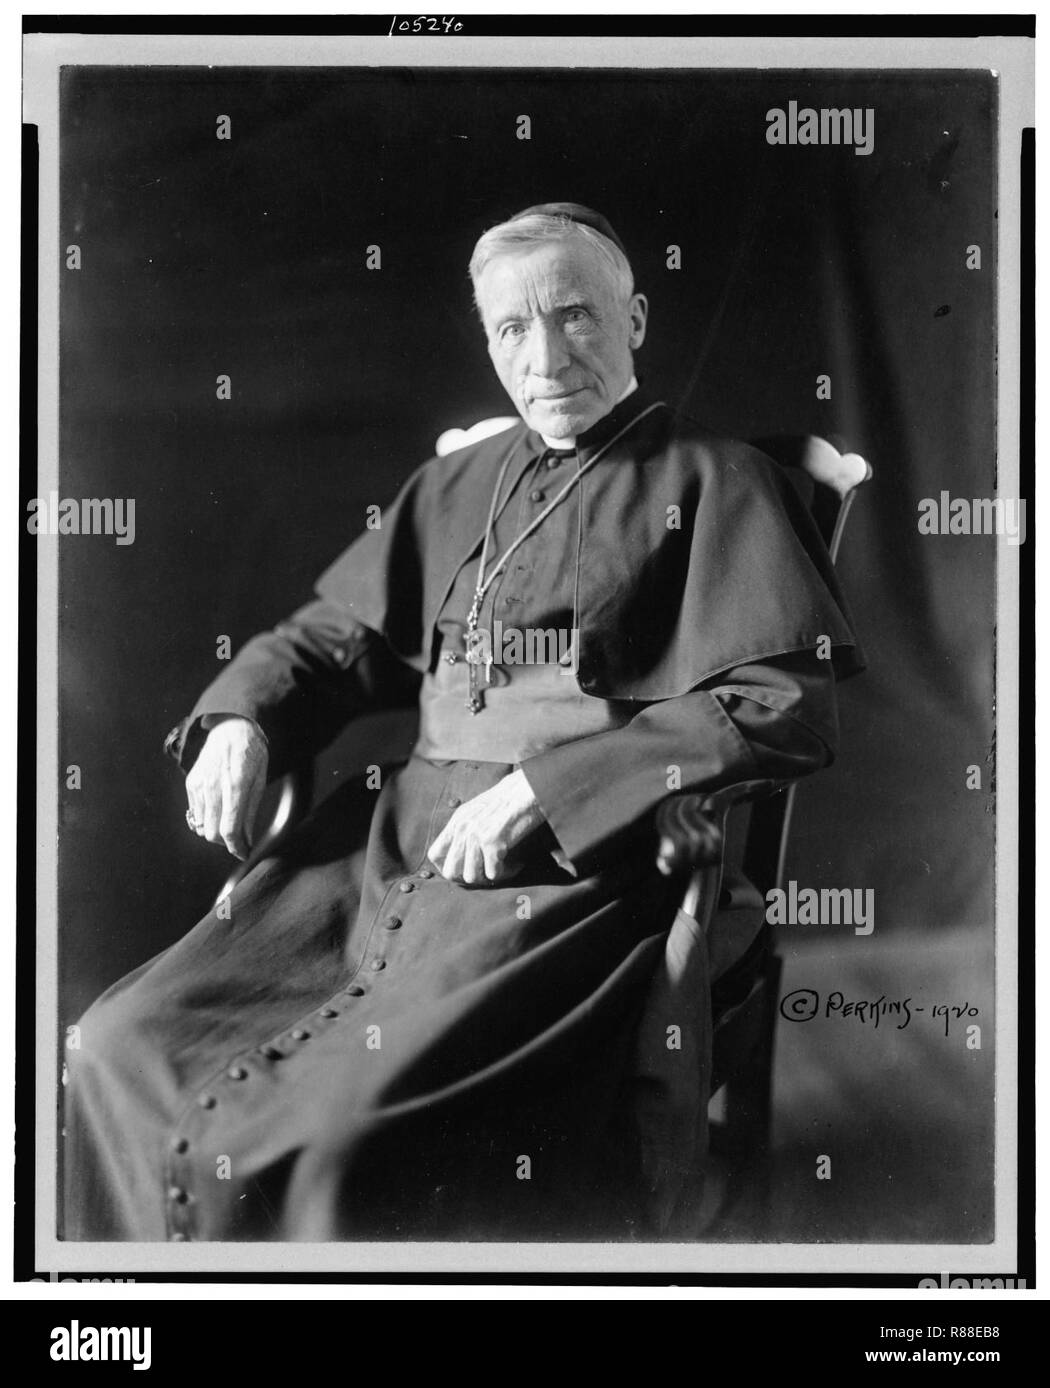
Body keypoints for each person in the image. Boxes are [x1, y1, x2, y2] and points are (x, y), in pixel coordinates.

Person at [63, 202, 863, 1243]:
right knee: (115, 1041)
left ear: (636, 318)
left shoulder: (719, 481)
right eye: (511, 329)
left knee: (330, 1137)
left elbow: (784, 705)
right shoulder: (455, 483)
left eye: (575, 315)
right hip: (386, 851)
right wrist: (243, 721)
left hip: (578, 870)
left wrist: (547, 789)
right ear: (487, 340)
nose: (545, 356)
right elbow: (331, 640)